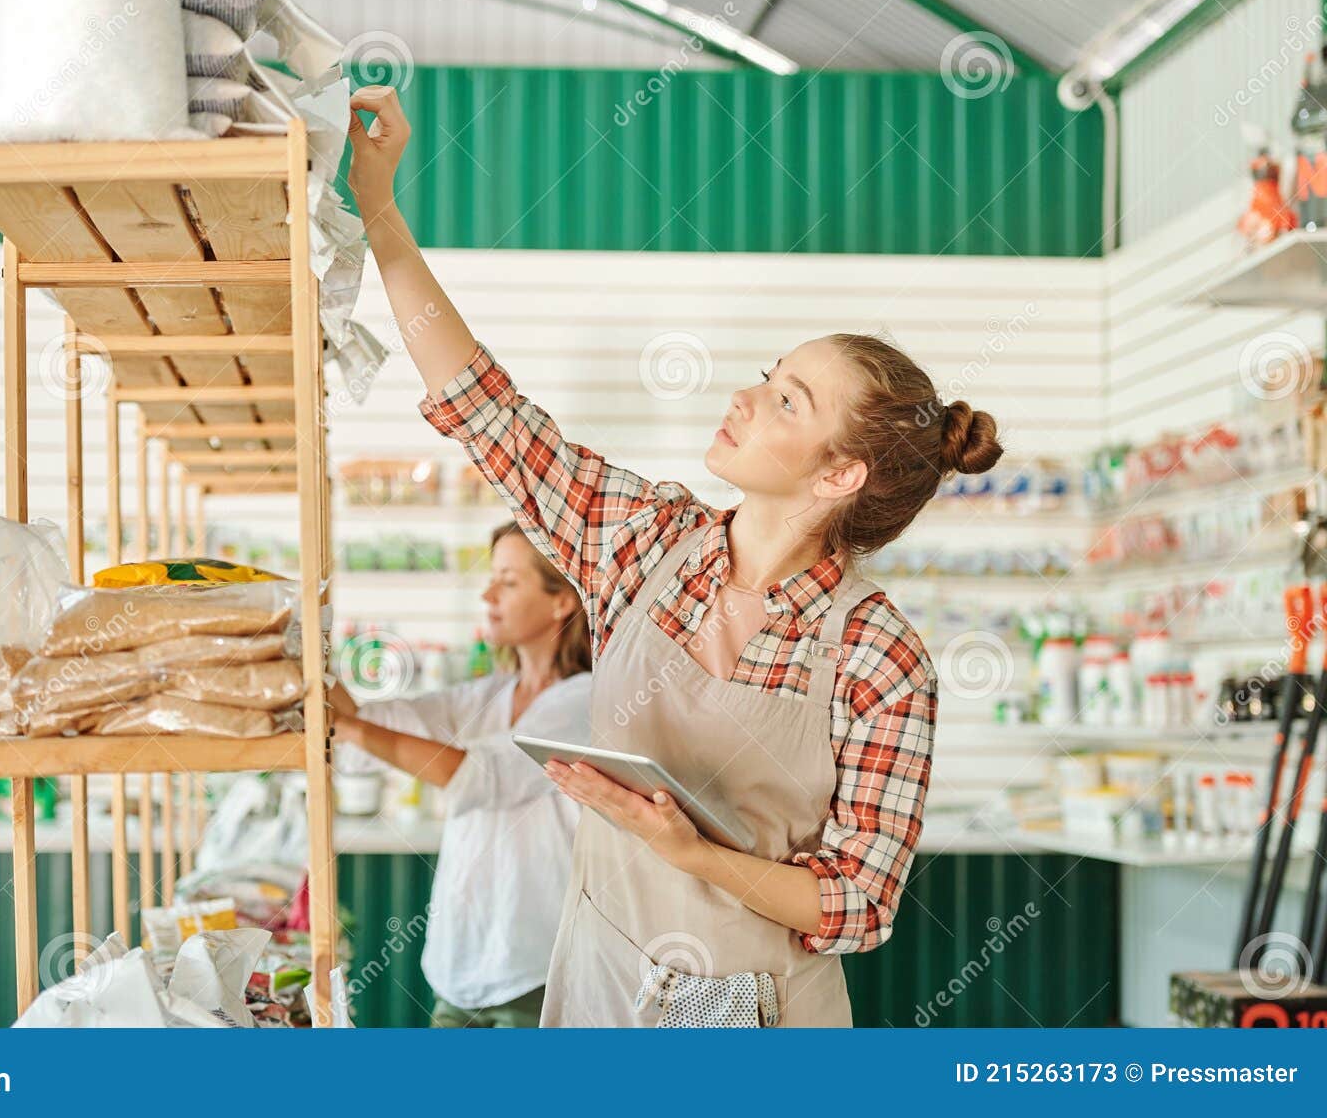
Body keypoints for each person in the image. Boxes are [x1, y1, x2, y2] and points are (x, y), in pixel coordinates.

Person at [343, 85, 1005, 1028]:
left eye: (787, 402)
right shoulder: (649, 542)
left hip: (764, 1021)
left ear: (839, 475)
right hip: (603, 1003)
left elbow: (859, 900)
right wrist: (381, 215)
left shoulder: (879, 656)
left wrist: (692, 852)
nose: (746, 394)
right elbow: (488, 410)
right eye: (770, 376)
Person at [329, 522, 592, 1027]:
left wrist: (357, 730)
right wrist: (314, 663)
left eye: (509, 582)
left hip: (534, 974)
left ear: (562, 601)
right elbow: (383, 725)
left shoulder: (582, 700)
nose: (487, 594)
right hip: (459, 965)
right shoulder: (487, 695)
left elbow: (481, 774)